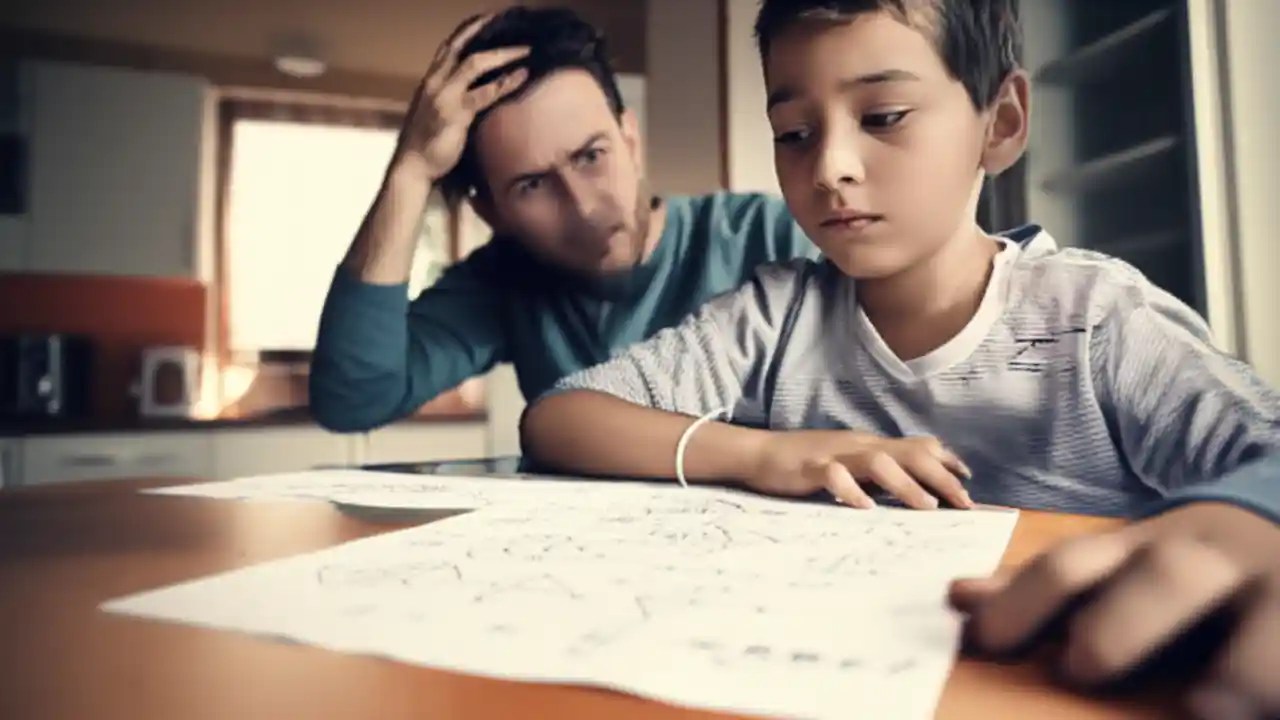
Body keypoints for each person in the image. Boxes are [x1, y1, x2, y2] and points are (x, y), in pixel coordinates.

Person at [520, 1, 1280, 716]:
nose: (830, 168)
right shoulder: (774, 315)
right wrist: (765, 455)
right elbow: (560, 418)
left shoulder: (1096, 319)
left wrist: (1255, 520)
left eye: (883, 117)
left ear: (1002, 123)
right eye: (793, 133)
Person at [309, 7, 816, 433]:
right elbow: (353, 399)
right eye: (532, 185)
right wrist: (411, 172)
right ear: (490, 212)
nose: (582, 206)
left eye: (591, 156)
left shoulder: (771, 237)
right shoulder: (502, 282)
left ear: (630, 139)